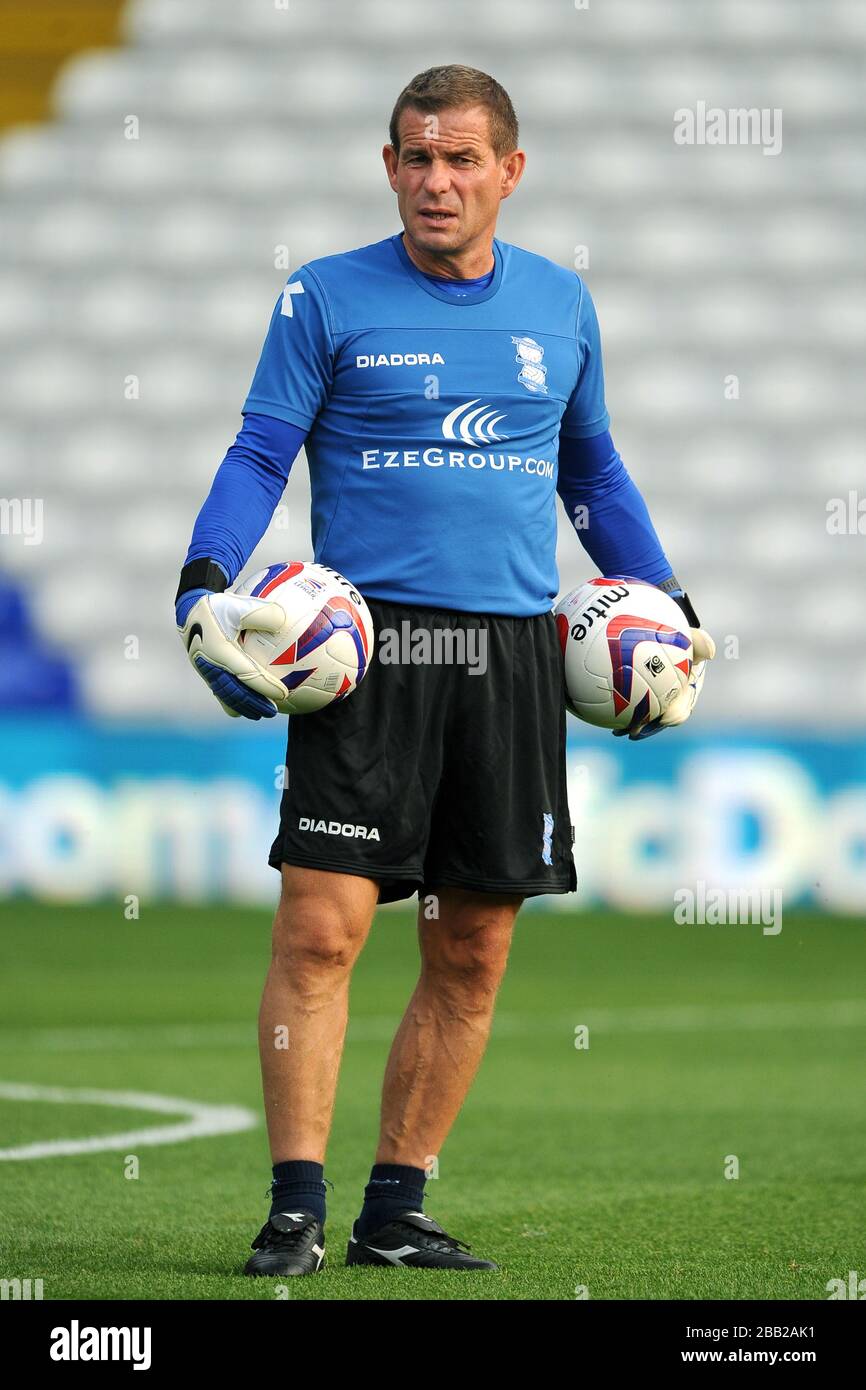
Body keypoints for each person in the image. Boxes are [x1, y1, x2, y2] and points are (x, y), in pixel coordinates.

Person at [175, 64, 715, 1276]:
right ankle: (295, 1205)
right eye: (416, 158)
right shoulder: (321, 296)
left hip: (513, 655)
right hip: (367, 655)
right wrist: (204, 580)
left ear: (508, 173)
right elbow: (261, 451)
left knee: (471, 944)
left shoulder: (560, 304)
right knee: (321, 933)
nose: (436, 181)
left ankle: (393, 1208)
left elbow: (594, 476)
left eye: (461, 159)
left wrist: (670, 611)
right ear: (388, 168)